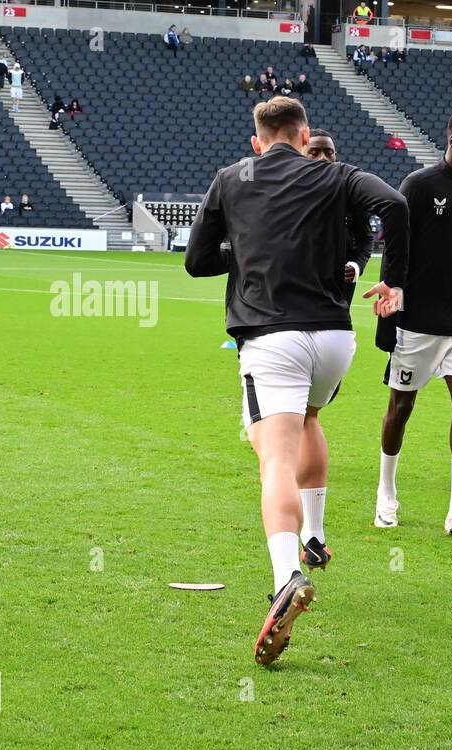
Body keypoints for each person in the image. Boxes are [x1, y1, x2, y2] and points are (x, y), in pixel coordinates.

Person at [184, 96, 408, 666]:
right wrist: (395, 282)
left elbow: (196, 260)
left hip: (273, 337)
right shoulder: (334, 173)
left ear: (257, 140)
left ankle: (287, 574)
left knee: (273, 457)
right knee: (310, 418)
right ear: (305, 135)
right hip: (335, 340)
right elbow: (396, 206)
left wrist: (248, 253)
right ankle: (314, 529)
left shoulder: (233, 176)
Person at [374, 109, 452, 537]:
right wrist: (392, 292)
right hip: (417, 323)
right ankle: (386, 493)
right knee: (401, 407)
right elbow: (397, 248)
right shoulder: (419, 186)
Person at [304, 128, 374, 293]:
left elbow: (365, 239)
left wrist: (356, 266)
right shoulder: (287, 194)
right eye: (314, 152)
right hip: (299, 290)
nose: (323, 158)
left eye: (329, 153)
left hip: (339, 292)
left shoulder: (351, 196)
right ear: (301, 155)